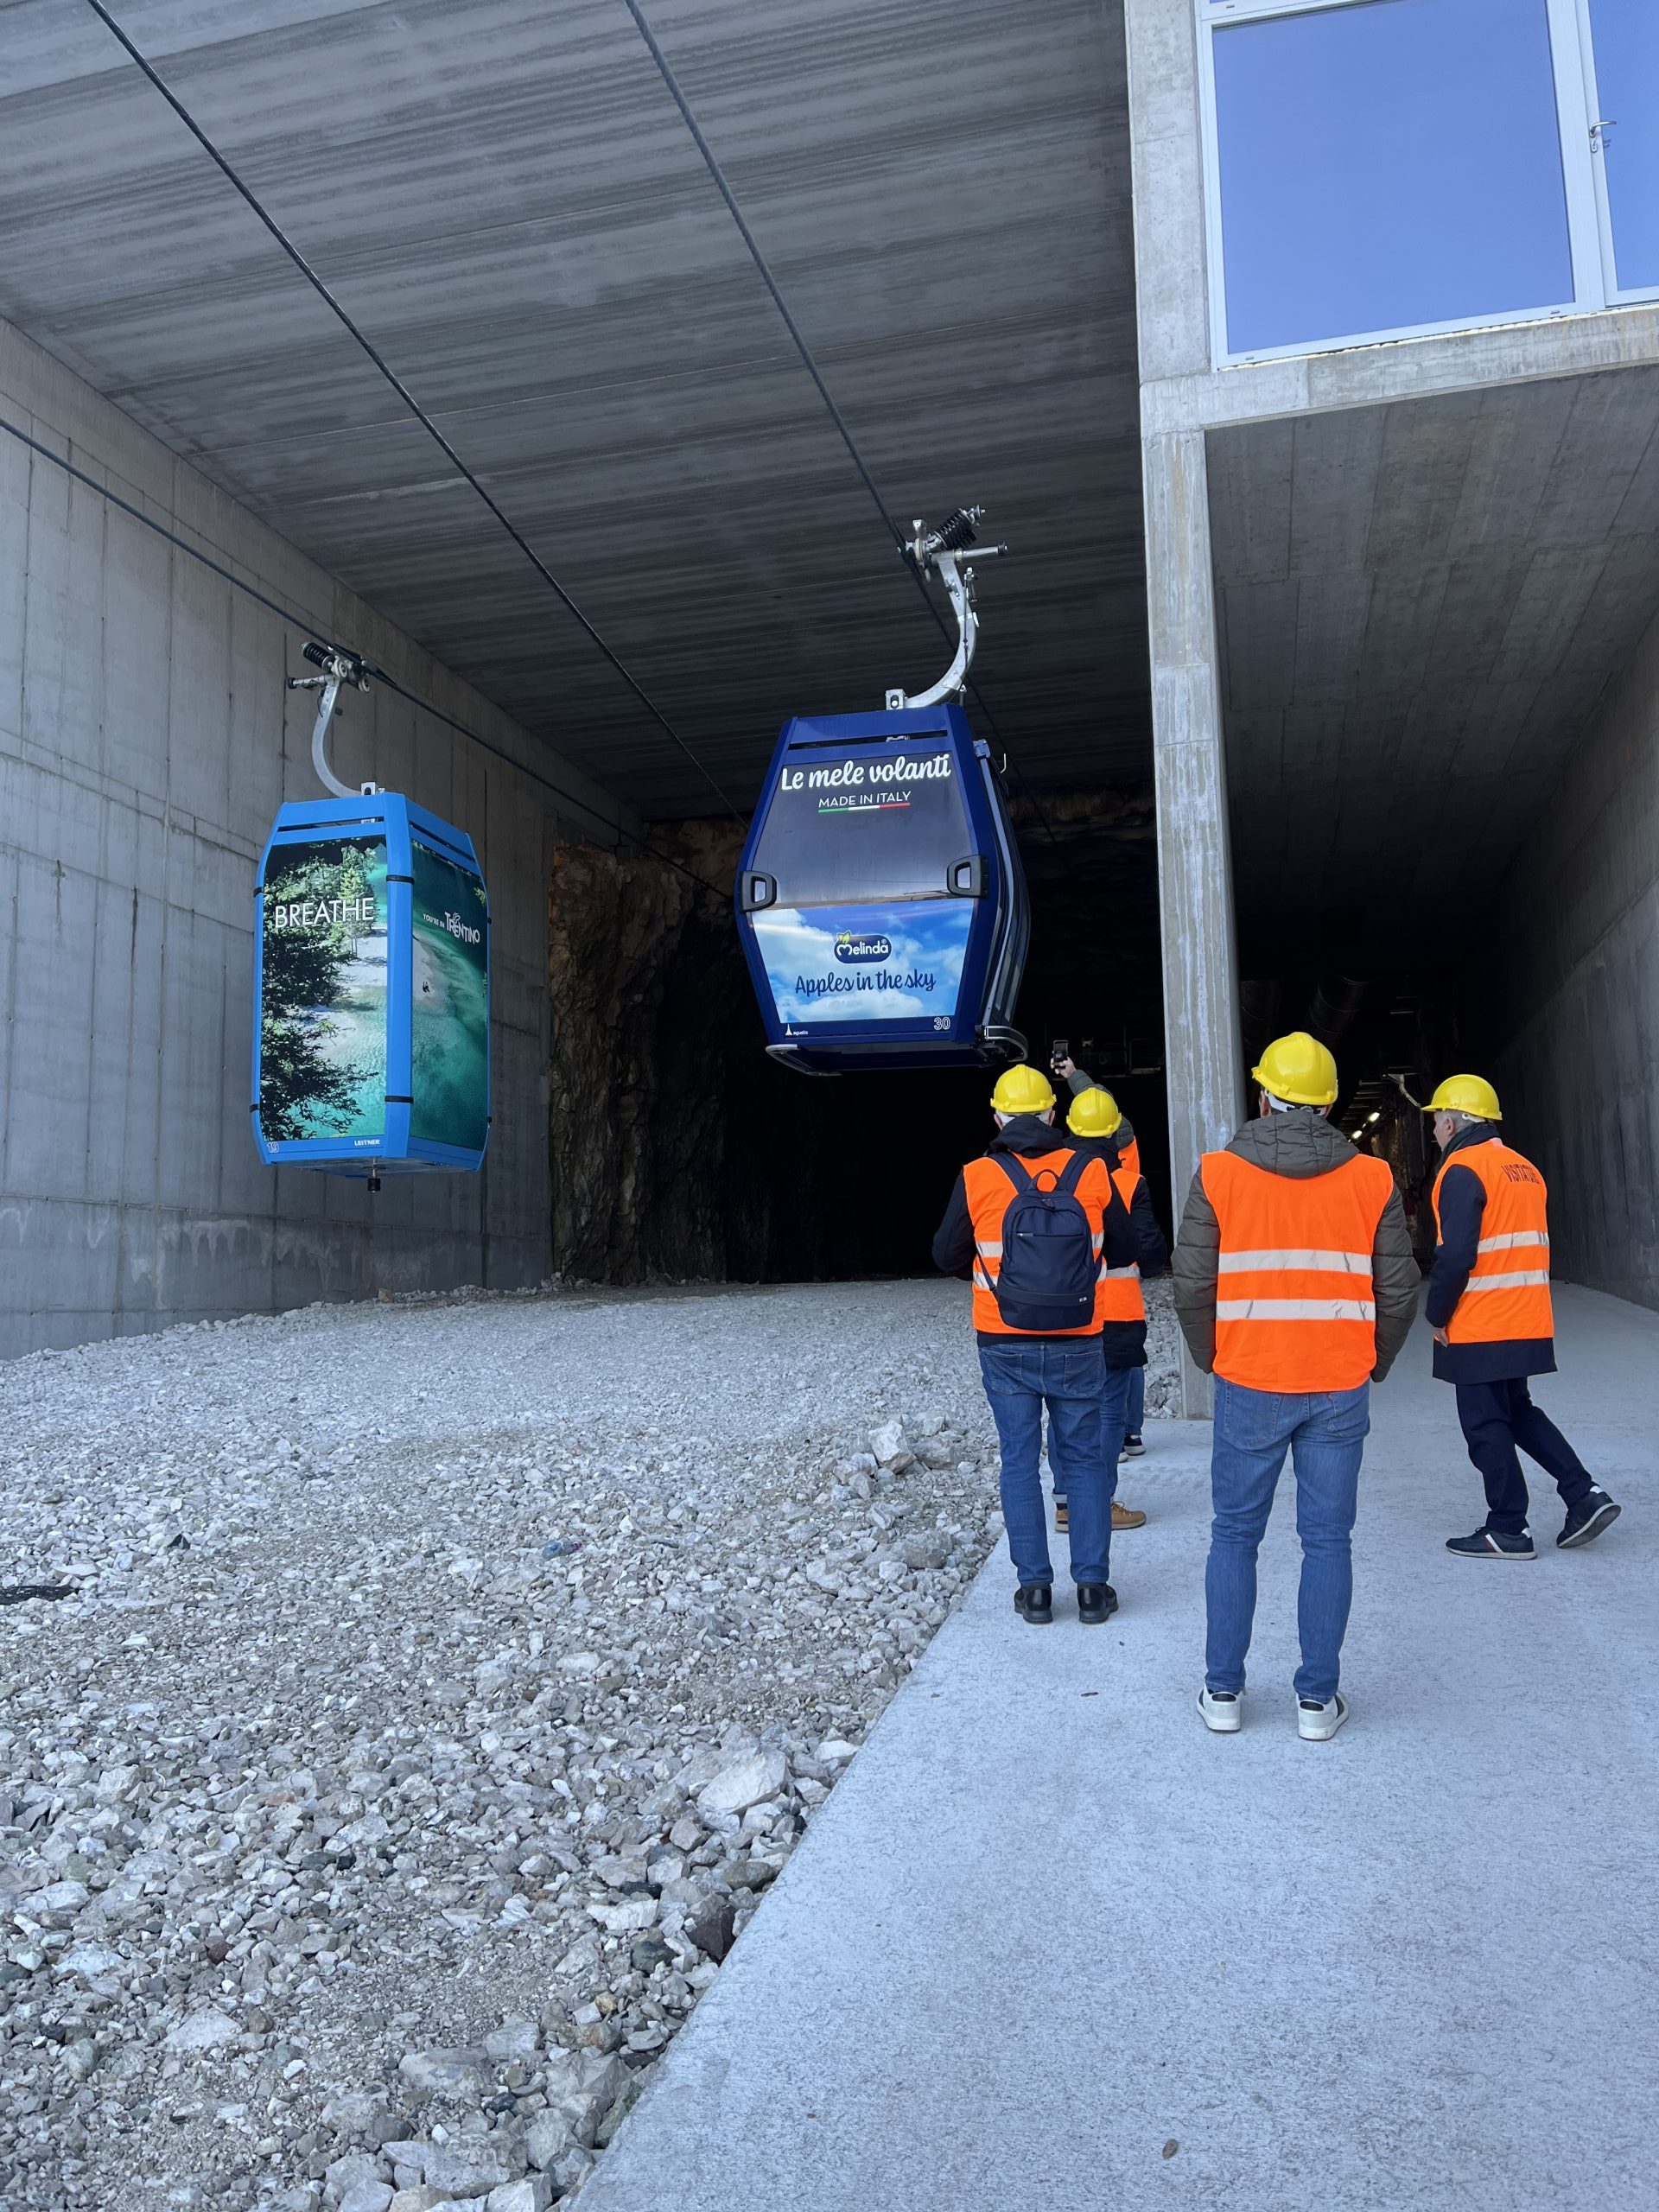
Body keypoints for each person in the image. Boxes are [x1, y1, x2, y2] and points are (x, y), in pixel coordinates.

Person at [1173, 1032, 1419, 1739]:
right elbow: (1398, 1291)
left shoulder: (1218, 1173)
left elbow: (1192, 1283)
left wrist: (1212, 1356)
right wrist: (1373, 1361)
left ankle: (1223, 1694)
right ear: (1331, 1104)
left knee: (1235, 1536)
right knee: (1328, 1541)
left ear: (1264, 1096)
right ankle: (1316, 1702)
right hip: (1338, 1384)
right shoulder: (1371, 1178)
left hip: (1250, 1379)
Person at [932, 1064, 1129, 1627]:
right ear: (1051, 1114)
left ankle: (1035, 1592)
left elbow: (945, 1254)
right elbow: (1126, 1246)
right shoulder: (1091, 1169)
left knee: (1019, 1459)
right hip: (1078, 1339)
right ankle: (1092, 1588)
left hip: (1003, 1339)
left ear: (996, 1117)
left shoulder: (976, 1176)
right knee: (1085, 1459)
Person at [1423, 1075, 1620, 1558]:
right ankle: (1583, 1493)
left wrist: (1436, 1314)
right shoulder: (1524, 1168)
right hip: (1525, 1318)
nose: (1432, 1132)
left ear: (1451, 1121)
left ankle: (1508, 1526)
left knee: (1484, 1424)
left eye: (1435, 1122)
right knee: (1520, 1415)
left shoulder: (1462, 1169)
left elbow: (1456, 1256)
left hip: (1481, 1323)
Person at [1048, 1084, 1167, 1534]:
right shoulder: (1130, 1183)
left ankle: (1064, 1503)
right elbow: (1151, 1254)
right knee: (1106, 1414)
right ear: (1117, 1132)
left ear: (1069, 1129)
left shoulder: (1049, 1178)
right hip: (1115, 1316)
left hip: (1063, 1317)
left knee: (1065, 1411)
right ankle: (1097, 1505)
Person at [1053, 1056, 1150, 1457]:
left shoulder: (1060, 1173)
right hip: (1123, 1294)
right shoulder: (1126, 1156)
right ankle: (1131, 1433)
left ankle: (1073, 1479)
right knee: (1127, 1364)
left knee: (1074, 1389)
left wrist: (1072, 1077)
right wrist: (1076, 1075)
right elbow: (1100, 1102)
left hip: (1073, 1297)